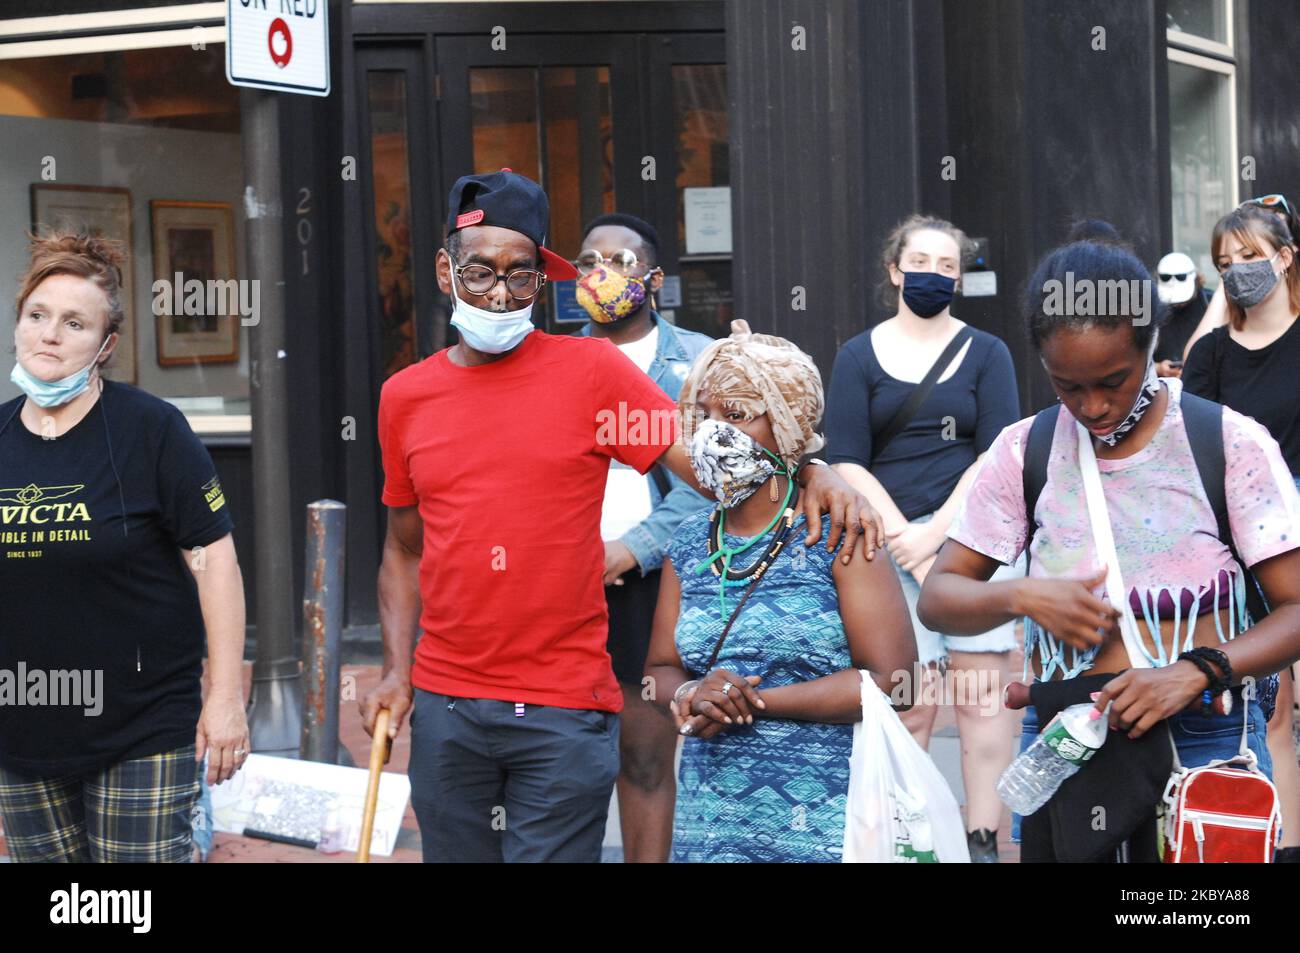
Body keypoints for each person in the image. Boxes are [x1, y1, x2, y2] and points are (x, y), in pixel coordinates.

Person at [359, 169, 884, 864]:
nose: (498, 293)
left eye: (521, 276)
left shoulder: (592, 373)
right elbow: (402, 550)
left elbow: (714, 465)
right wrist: (398, 670)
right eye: (480, 271)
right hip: (448, 706)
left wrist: (813, 470)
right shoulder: (404, 397)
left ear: (543, 281)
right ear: (444, 268)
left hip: (563, 708)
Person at [918, 238, 1300, 862]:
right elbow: (939, 597)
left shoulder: (1226, 443)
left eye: (1113, 382)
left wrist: (1194, 670)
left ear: (1151, 345)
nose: (1093, 407)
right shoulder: (1025, 451)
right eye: (1068, 386)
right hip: (1067, 747)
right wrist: (1021, 595)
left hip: (1207, 742)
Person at [0, 232, 248, 863]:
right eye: (38, 316)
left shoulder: (152, 429)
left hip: (141, 729)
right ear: (18, 326)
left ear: (104, 346)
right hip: (22, 731)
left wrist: (224, 698)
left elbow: (214, 560)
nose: (50, 334)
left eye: (74, 322)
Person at [644, 319, 917, 862]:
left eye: (738, 415)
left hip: (825, 831)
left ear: (789, 425)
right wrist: (686, 695)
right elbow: (658, 670)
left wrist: (752, 703)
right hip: (709, 833)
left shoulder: (839, 531)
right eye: (705, 415)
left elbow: (897, 682)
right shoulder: (689, 542)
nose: (712, 431)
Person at [824, 214, 1022, 861]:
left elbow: (997, 453)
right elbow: (845, 458)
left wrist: (938, 533)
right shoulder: (857, 354)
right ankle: (911, 843)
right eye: (920, 261)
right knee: (905, 705)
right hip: (883, 553)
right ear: (893, 269)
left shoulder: (987, 353)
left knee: (984, 707)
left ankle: (984, 840)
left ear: (960, 276)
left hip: (973, 547)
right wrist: (901, 533)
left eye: (946, 264)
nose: (933, 274)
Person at [573, 212, 712, 862]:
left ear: (654, 279)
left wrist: (634, 547)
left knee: (646, 757)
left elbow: (711, 479)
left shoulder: (698, 361)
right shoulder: (552, 359)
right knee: (562, 762)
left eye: (620, 262)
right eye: (588, 261)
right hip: (562, 581)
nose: (601, 273)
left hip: (654, 584)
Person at [1183, 203, 1300, 862]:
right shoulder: (1212, 355)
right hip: (1242, 548)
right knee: (1273, 705)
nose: (1238, 274)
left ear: (1285, 257)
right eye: (1225, 265)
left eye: (1251, 258)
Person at [1183, 193, 1300, 360]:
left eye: (1250, 254)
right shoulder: (1231, 319)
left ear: (1287, 253)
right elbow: (1195, 360)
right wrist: (1227, 282)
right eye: (1226, 261)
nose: (1240, 266)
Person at [1152, 251, 1211, 378]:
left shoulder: (1212, 303)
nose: (1178, 304)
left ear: (1196, 281)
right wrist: (1157, 368)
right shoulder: (1150, 305)